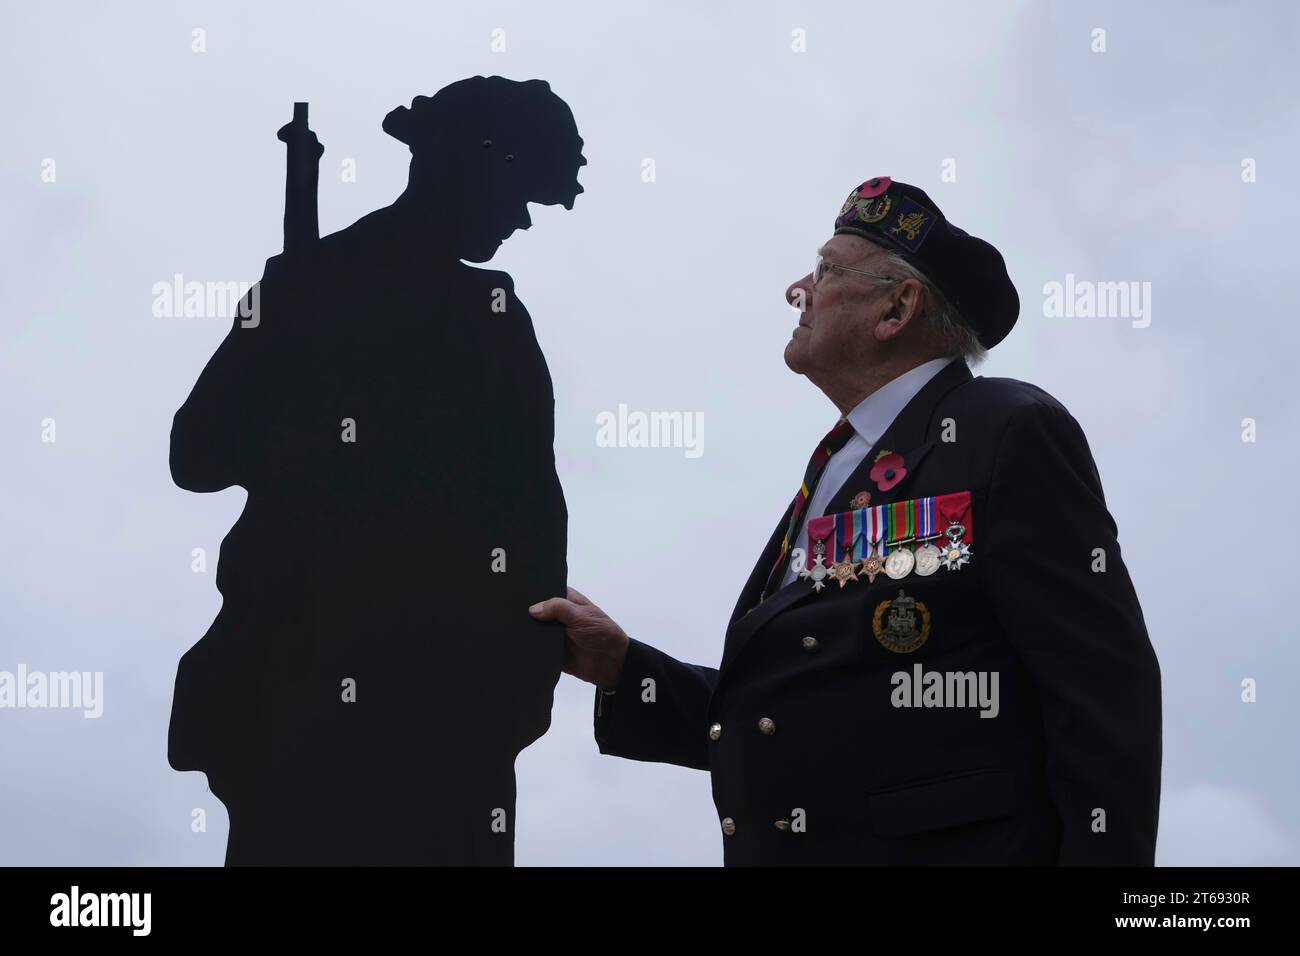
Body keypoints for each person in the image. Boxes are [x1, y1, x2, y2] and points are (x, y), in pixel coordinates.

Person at [531, 177, 1162, 865]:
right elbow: (794, 719)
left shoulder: (1004, 430)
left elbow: (1103, 695)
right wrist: (626, 668)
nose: (796, 289)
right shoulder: (843, 463)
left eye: (827, 270)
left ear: (896, 307)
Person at [168, 76, 585, 865]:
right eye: (518, 189)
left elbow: (532, 526)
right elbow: (195, 453)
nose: (523, 217)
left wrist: (512, 689)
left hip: (445, 715)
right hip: (297, 699)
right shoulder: (302, 287)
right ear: (469, 163)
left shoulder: (483, 310)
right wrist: (306, 430)